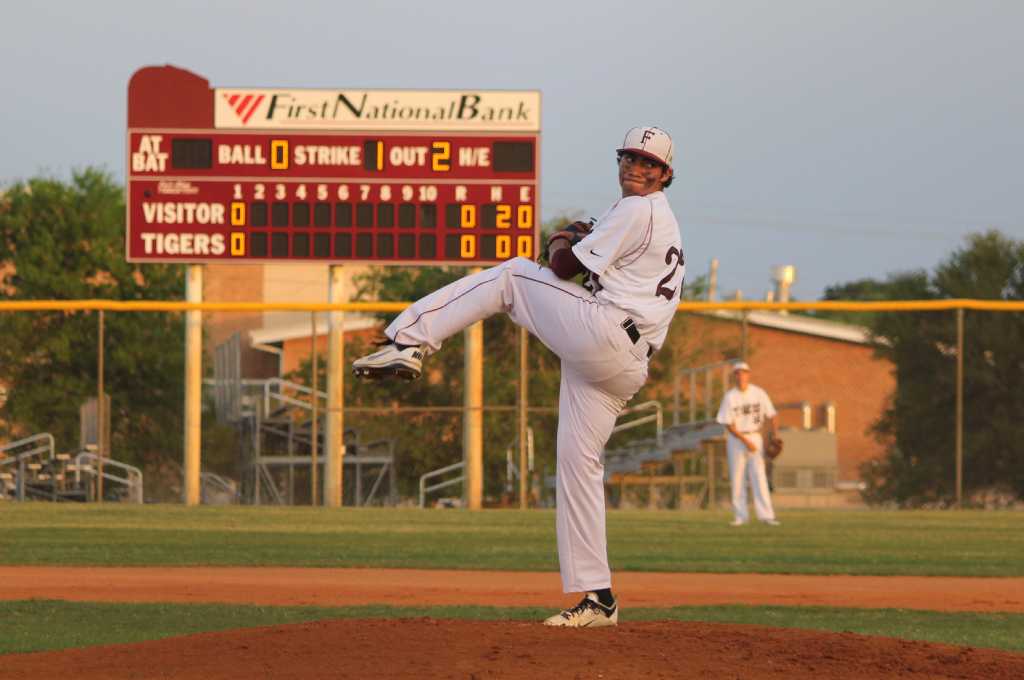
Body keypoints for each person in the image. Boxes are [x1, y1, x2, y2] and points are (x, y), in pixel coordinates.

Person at [353, 126, 684, 628]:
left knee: (510, 276)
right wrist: (577, 243)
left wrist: (561, 238)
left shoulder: (640, 208)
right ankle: (598, 600)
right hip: (625, 361)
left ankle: (408, 341)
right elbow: (581, 272)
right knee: (577, 468)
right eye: (629, 158)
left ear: (665, 176)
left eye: (648, 164)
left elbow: (560, 266)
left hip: (607, 335)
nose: (636, 169)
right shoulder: (658, 219)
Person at [716, 361, 780, 526]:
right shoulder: (730, 397)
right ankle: (740, 516)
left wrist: (775, 435)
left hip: (755, 435)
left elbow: (772, 414)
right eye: (737, 373)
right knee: (737, 479)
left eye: (743, 372)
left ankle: (766, 516)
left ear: (748, 374)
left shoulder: (758, 393)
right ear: (734, 376)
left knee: (759, 477)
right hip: (737, 440)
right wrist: (746, 441)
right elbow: (728, 424)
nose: (741, 375)